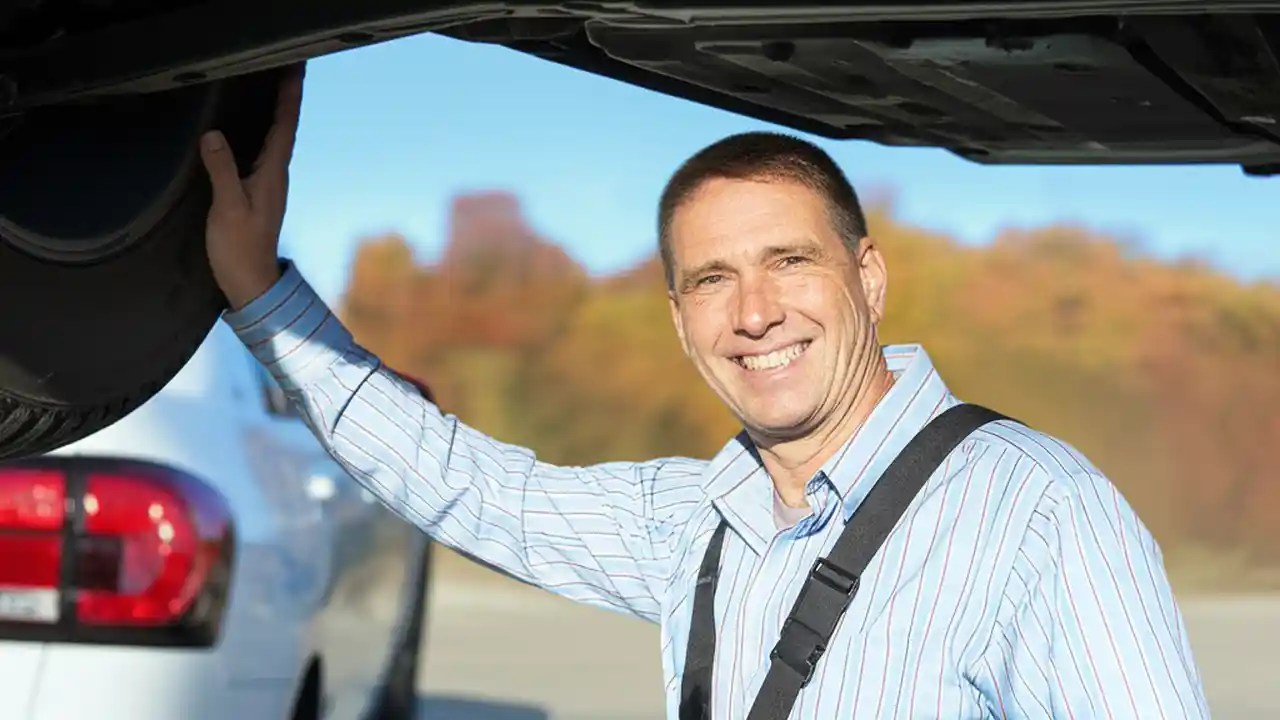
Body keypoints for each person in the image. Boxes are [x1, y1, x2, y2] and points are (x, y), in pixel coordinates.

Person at [198, 64, 1210, 719]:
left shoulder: (1036, 512)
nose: (754, 313)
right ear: (679, 320)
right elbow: (465, 485)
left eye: (788, 263)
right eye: (711, 281)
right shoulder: (694, 525)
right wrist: (260, 292)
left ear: (867, 279)